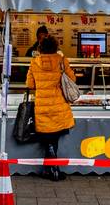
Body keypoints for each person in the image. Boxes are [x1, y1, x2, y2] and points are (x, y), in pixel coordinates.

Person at [27, 35, 75, 181]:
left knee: (48, 139)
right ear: (55, 47)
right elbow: (72, 79)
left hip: (42, 106)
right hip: (58, 106)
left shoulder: (34, 62)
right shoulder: (61, 61)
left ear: (40, 47)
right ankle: (54, 170)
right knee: (54, 139)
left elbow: (30, 85)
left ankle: (50, 170)